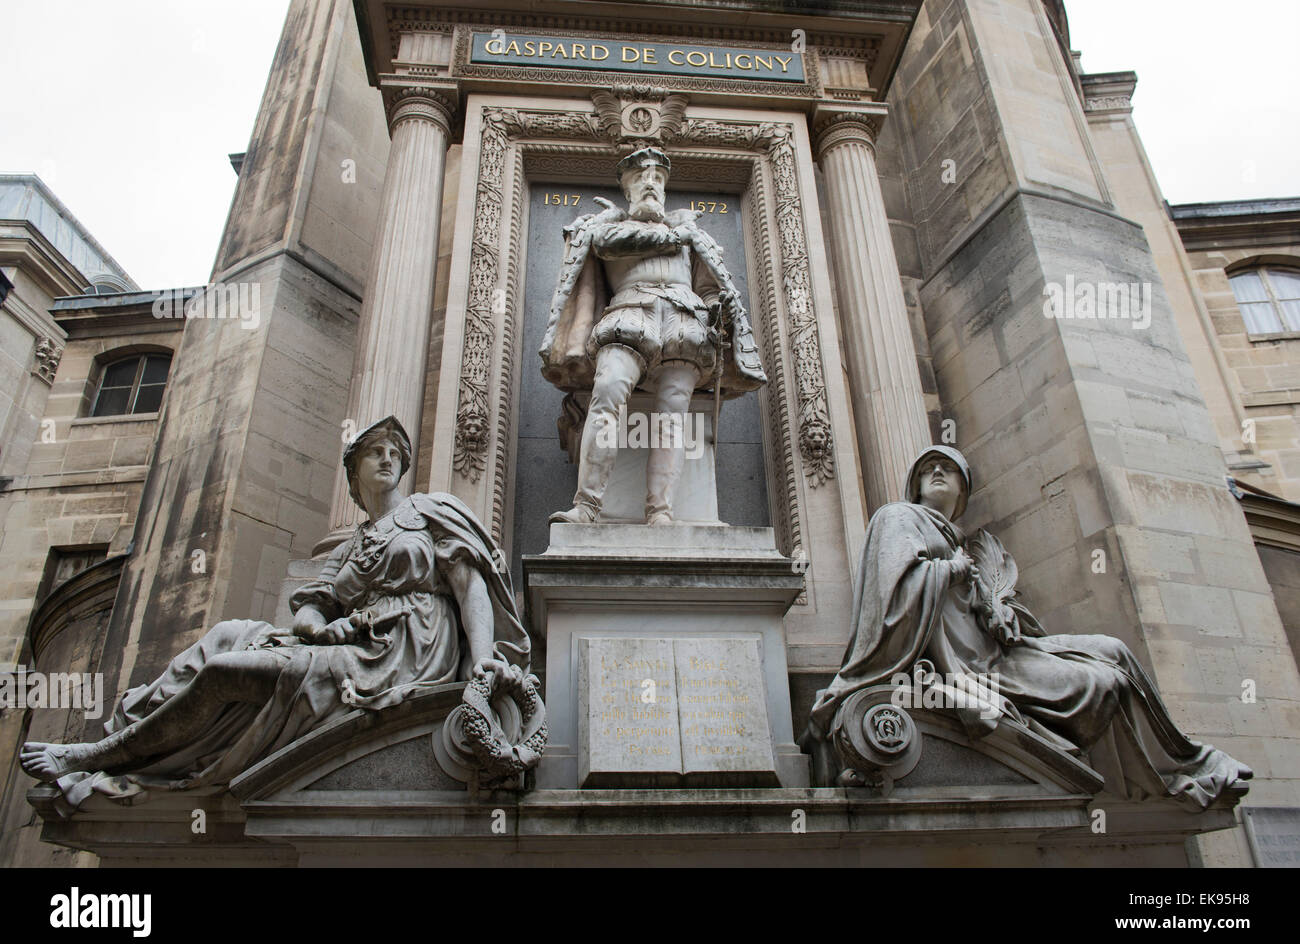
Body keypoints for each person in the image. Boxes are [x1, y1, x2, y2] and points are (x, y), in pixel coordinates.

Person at [22, 416, 532, 803]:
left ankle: (95, 755)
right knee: (228, 634)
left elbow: (470, 588)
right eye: (374, 452)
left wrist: (482, 667)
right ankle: (128, 738)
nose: (387, 459)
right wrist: (320, 630)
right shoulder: (348, 548)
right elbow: (311, 610)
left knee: (226, 671)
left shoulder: (429, 511)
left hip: (411, 650)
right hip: (356, 642)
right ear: (354, 474)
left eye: (394, 452)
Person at [804, 445, 1252, 810]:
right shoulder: (898, 518)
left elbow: (999, 617)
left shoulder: (962, 541)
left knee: (1113, 649)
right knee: (1103, 682)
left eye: (949, 469)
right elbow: (890, 599)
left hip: (998, 653)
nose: (937, 471)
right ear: (915, 485)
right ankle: (1153, 787)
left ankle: (1186, 760)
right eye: (928, 469)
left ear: (963, 492)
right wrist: (952, 572)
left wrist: (1002, 616)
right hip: (964, 668)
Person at [539, 146, 765, 526]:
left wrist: (717, 309)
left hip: (684, 324)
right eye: (641, 180)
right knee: (608, 391)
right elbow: (608, 245)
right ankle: (588, 507)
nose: (650, 185)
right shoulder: (608, 231)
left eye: (657, 180)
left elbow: (708, 288)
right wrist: (676, 236)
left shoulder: (694, 238)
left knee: (674, 418)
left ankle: (661, 512)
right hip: (629, 315)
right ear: (627, 191)